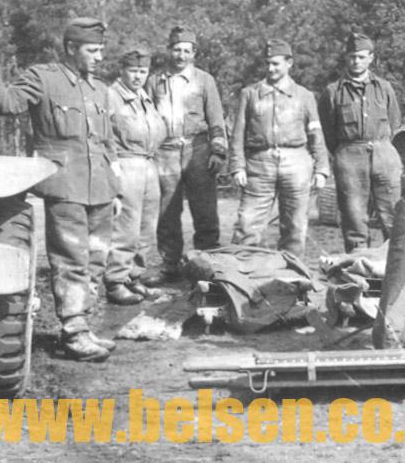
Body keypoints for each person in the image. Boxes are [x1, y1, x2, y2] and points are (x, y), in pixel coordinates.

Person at [0, 17, 120, 362]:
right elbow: (6, 103)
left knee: (96, 259)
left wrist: (116, 186)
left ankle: (82, 324)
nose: (99, 57)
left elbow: (106, 140)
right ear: (71, 48)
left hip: (101, 186)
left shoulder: (99, 88)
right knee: (71, 260)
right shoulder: (43, 78)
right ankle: (73, 332)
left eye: (101, 50)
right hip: (65, 183)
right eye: (92, 50)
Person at [229, 38, 329, 256]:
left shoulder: (304, 96)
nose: (270, 68)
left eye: (275, 63)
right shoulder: (250, 94)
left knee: (295, 226)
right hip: (259, 164)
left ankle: (291, 271)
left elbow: (316, 134)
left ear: (289, 63)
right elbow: (238, 134)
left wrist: (321, 169)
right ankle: (243, 269)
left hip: (296, 163)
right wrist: (237, 167)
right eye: (267, 63)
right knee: (248, 224)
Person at [147, 26, 229, 282]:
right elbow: (146, 118)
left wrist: (218, 152)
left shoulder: (204, 80)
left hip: (198, 149)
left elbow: (216, 119)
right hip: (166, 150)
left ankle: (207, 264)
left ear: (194, 53)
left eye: (186, 51)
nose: (180, 55)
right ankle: (169, 264)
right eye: (176, 50)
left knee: (205, 210)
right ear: (168, 50)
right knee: (167, 212)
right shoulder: (154, 81)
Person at [318, 32, 403, 252]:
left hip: (384, 154)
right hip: (350, 157)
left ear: (371, 58)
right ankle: (358, 263)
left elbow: (394, 121)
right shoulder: (333, 92)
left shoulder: (384, 87)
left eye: (361, 57)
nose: (356, 61)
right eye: (352, 57)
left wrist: (383, 146)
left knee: (393, 213)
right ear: (346, 58)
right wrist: (346, 152)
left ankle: (393, 263)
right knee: (354, 217)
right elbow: (328, 132)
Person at [104, 49, 164, 305]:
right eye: (133, 70)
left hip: (148, 164)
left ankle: (134, 276)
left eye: (143, 71)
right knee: (125, 228)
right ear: (122, 70)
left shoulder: (144, 97)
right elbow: (104, 138)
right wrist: (114, 173)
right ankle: (115, 281)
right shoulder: (111, 96)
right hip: (126, 164)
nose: (138, 76)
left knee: (146, 228)